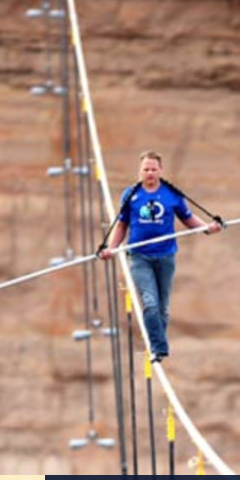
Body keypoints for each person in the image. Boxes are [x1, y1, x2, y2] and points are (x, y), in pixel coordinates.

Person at [98, 151, 222, 362]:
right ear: (140, 171)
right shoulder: (131, 195)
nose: (150, 173)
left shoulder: (172, 194)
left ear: (160, 171)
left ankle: (158, 345)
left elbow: (188, 219)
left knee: (162, 308)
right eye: (146, 169)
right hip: (139, 257)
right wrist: (111, 248)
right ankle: (158, 347)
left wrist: (208, 229)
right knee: (150, 303)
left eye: (153, 169)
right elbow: (121, 225)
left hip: (165, 257)